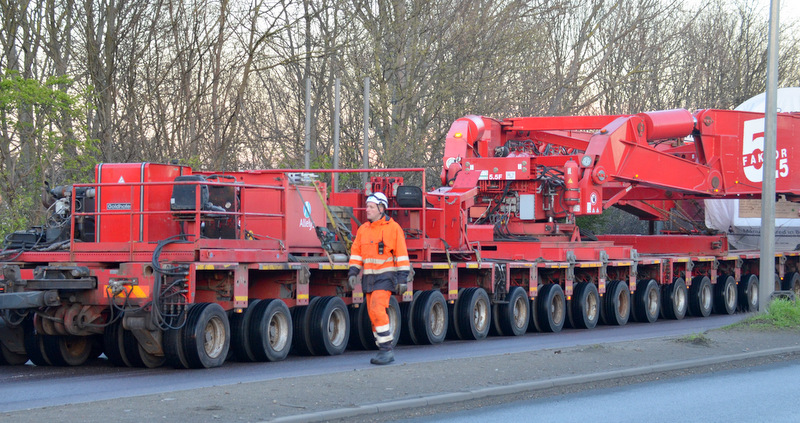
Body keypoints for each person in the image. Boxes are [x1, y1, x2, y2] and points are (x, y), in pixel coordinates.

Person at [348, 192, 410, 365]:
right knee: (372, 315)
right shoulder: (363, 230)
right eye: (367, 206)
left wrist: (402, 279)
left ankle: (386, 349)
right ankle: (383, 348)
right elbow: (356, 254)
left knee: (377, 310)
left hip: (385, 278)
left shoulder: (393, 228)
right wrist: (353, 273)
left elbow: (402, 255)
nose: (366, 209)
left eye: (371, 207)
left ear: (381, 209)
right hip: (368, 278)